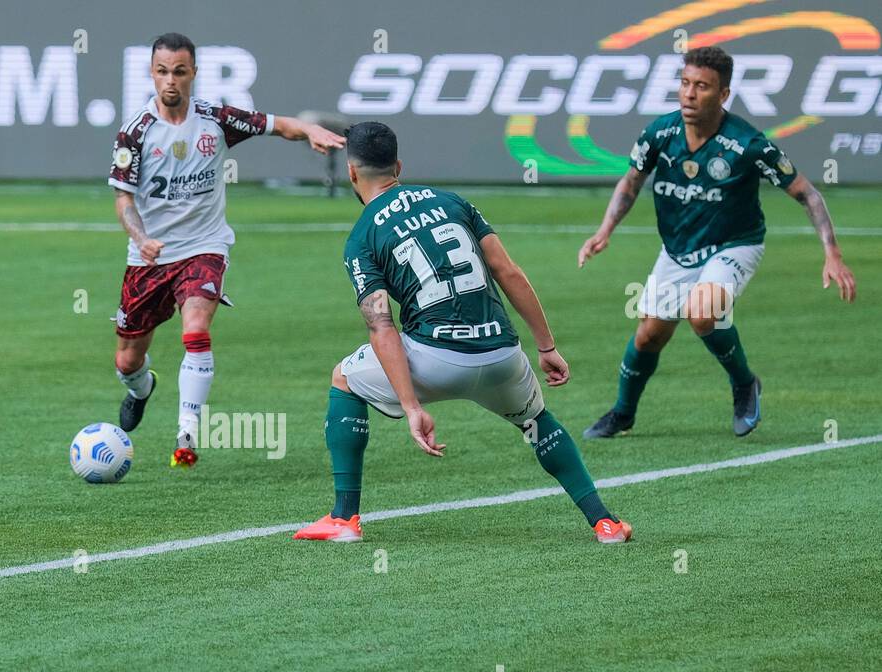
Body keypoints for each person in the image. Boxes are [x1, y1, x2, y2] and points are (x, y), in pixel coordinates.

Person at [294, 122, 631, 544]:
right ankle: (605, 523)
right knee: (537, 423)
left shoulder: (362, 236)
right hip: (502, 356)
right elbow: (508, 272)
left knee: (344, 377)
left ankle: (344, 520)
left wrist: (411, 406)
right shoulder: (452, 201)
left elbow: (382, 325)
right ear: (399, 165)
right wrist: (547, 346)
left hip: (435, 360)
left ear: (352, 174)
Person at [579, 45, 856, 439]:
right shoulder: (660, 132)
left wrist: (832, 253)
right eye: (685, 83)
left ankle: (744, 383)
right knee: (649, 334)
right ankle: (623, 413)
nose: (690, 94)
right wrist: (604, 231)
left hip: (735, 244)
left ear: (723, 94)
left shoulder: (747, 144)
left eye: (702, 87)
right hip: (678, 249)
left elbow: (808, 193)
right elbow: (631, 182)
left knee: (702, 312)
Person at [109, 31, 345, 467]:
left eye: (180, 71)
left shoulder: (215, 119)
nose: (171, 81)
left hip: (205, 247)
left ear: (193, 73)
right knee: (127, 358)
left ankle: (186, 434)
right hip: (149, 257)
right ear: (151, 73)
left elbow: (276, 125)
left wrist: (310, 129)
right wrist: (141, 239)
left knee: (196, 329)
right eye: (162, 72)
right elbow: (123, 199)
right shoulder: (136, 133)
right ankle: (140, 389)